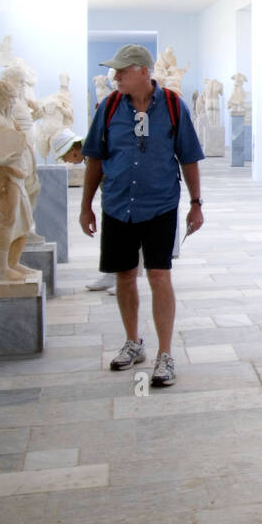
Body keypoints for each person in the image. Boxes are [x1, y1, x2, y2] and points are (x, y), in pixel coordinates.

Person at [80, 45, 205, 386]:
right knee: (124, 276)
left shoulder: (173, 107)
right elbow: (94, 159)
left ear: (142, 71)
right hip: (118, 204)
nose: (115, 76)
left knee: (159, 276)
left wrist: (196, 204)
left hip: (160, 204)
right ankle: (133, 343)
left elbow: (189, 157)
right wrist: (85, 205)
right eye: (115, 71)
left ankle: (165, 355)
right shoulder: (107, 108)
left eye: (122, 70)